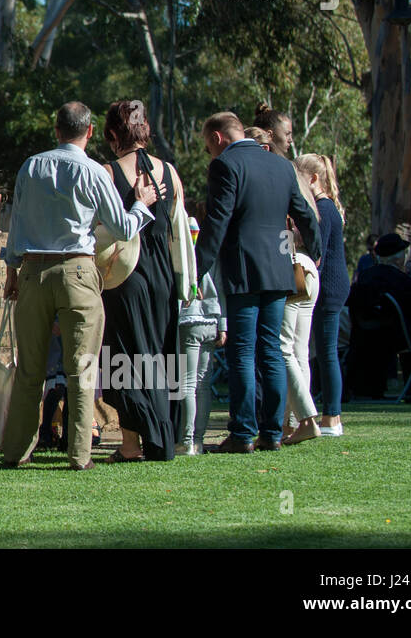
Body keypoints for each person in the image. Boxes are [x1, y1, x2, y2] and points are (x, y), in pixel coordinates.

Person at [1, 101, 159, 470]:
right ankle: (79, 454)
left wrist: (11, 271)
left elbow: (16, 223)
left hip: (33, 270)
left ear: (56, 129)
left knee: (30, 370)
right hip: (77, 270)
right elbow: (121, 229)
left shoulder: (31, 166)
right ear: (89, 132)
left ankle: (16, 452)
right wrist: (141, 204)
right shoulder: (93, 171)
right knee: (81, 367)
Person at [194, 111, 320, 453]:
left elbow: (217, 221)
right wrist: (316, 248)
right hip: (278, 271)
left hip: (244, 270)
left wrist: (196, 268)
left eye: (209, 147)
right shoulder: (282, 166)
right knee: (272, 353)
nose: (210, 154)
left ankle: (243, 433)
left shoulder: (226, 166)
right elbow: (304, 213)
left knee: (243, 352)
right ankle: (272, 432)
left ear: (218, 139)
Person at [98, 100, 183, 462]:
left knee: (123, 360)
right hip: (164, 276)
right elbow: (176, 226)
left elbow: (98, 228)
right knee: (160, 358)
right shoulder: (170, 172)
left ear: (114, 133)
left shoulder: (107, 172)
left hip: (125, 277)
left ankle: (132, 445)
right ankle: (163, 439)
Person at [294, 153, 349, 437]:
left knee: (327, 352)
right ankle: (327, 414)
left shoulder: (324, 209)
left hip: (330, 287)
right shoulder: (327, 208)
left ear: (313, 179)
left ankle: (332, 417)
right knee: (323, 352)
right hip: (331, 285)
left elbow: (319, 252)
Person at [345, 233, 411, 400]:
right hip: (396, 337)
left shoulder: (364, 279)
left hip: (365, 335)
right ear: (398, 258)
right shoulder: (404, 282)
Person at [176, 246, 225, 457]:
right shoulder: (212, 246)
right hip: (211, 319)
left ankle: (186, 441)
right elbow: (221, 287)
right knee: (203, 384)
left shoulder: (181, 242)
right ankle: (198, 441)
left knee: (187, 383)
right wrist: (223, 324)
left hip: (188, 316)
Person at [281, 213, 322, 444]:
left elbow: (284, 237)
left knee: (283, 349)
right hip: (309, 267)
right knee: (299, 352)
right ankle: (293, 423)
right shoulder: (305, 200)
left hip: (292, 267)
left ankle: (305, 419)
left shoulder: (282, 193)